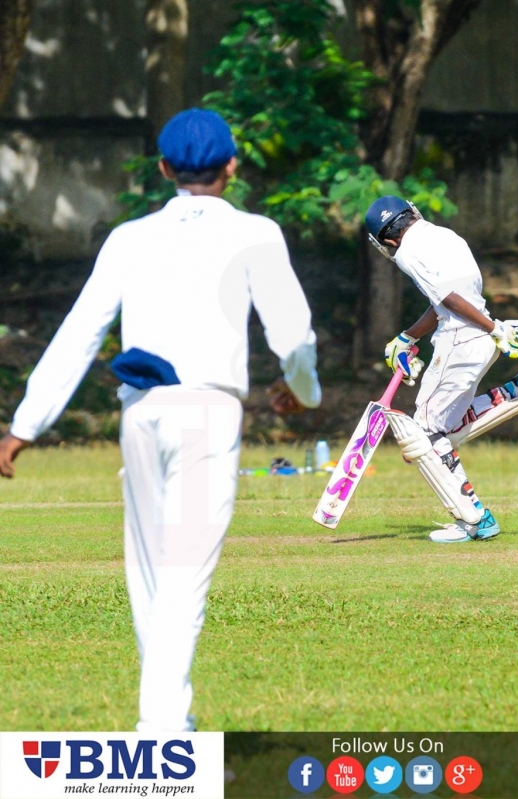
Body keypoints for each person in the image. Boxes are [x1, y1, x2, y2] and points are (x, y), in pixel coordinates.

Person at [0, 108, 322, 731]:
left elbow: (78, 333)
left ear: (165, 169)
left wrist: (25, 424)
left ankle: (170, 726)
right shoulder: (256, 232)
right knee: (182, 583)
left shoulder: (130, 237)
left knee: (152, 579)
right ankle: (162, 738)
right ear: (232, 166)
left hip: (140, 413)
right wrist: (302, 391)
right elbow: (292, 332)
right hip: (208, 412)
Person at [365, 196, 518, 543]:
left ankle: (475, 519)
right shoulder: (446, 235)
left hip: (461, 341)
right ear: (412, 213)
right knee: (441, 432)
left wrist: (494, 329)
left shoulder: (406, 252)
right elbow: (446, 302)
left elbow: (450, 298)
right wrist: (407, 337)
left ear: (387, 241)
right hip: (476, 339)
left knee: (423, 436)